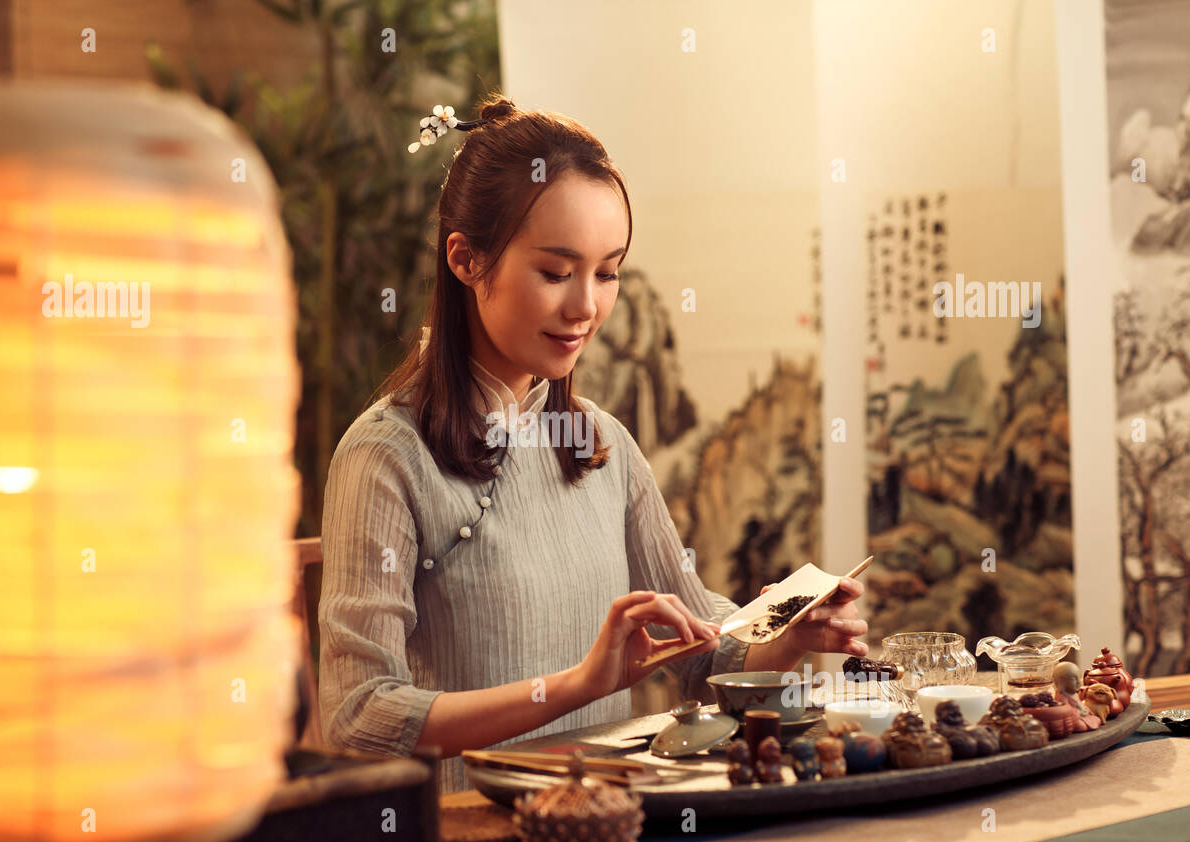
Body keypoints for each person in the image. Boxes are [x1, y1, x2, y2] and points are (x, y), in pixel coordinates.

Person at [317, 93, 869, 794]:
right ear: (465, 259)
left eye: (607, 273)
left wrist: (789, 639)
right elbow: (356, 714)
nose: (586, 307)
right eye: (556, 272)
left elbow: (702, 655)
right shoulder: (385, 456)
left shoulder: (599, 443)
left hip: (614, 827)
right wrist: (577, 686)